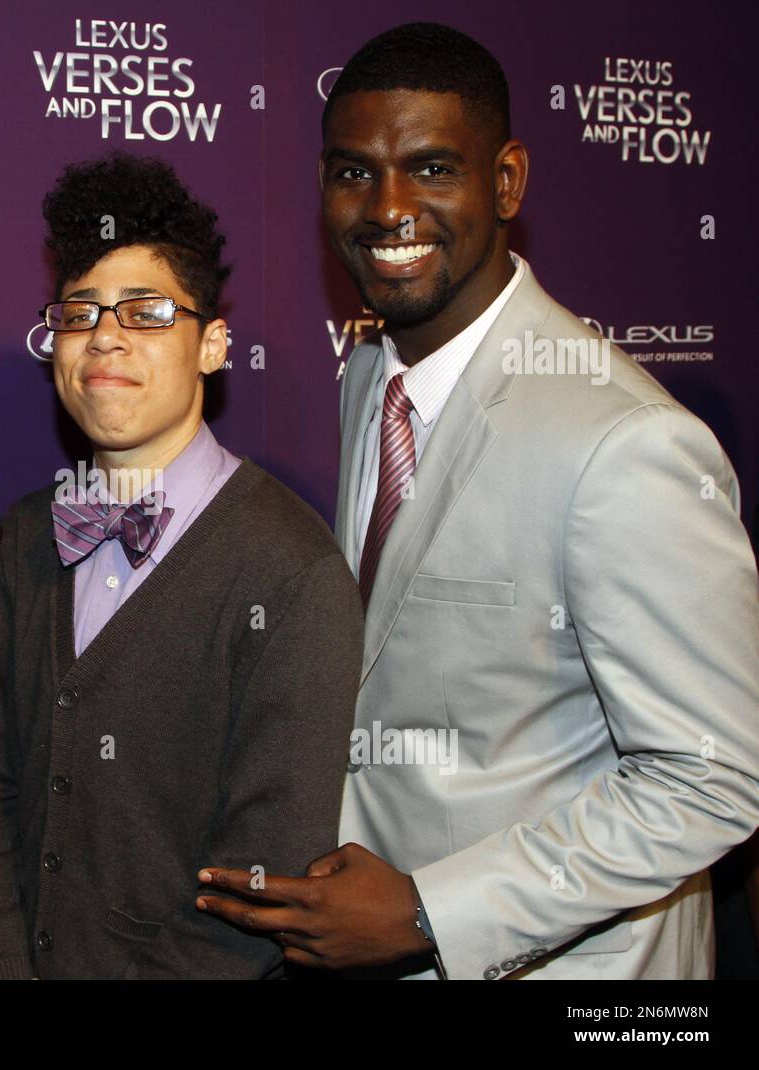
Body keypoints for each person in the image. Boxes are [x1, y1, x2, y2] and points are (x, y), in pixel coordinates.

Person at [195, 22, 759, 979]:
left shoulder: (625, 443)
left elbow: (709, 780)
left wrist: (430, 913)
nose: (389, 208)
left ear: (506, 183)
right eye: (352, 173)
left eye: (432, 169)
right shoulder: (370, 376)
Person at [0, 153, 363, 979]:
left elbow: (264, 881)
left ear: (211, 345)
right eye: (80, 313)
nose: (105, 335)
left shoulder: (290, 570)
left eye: (145, 312)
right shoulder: (29, 533)